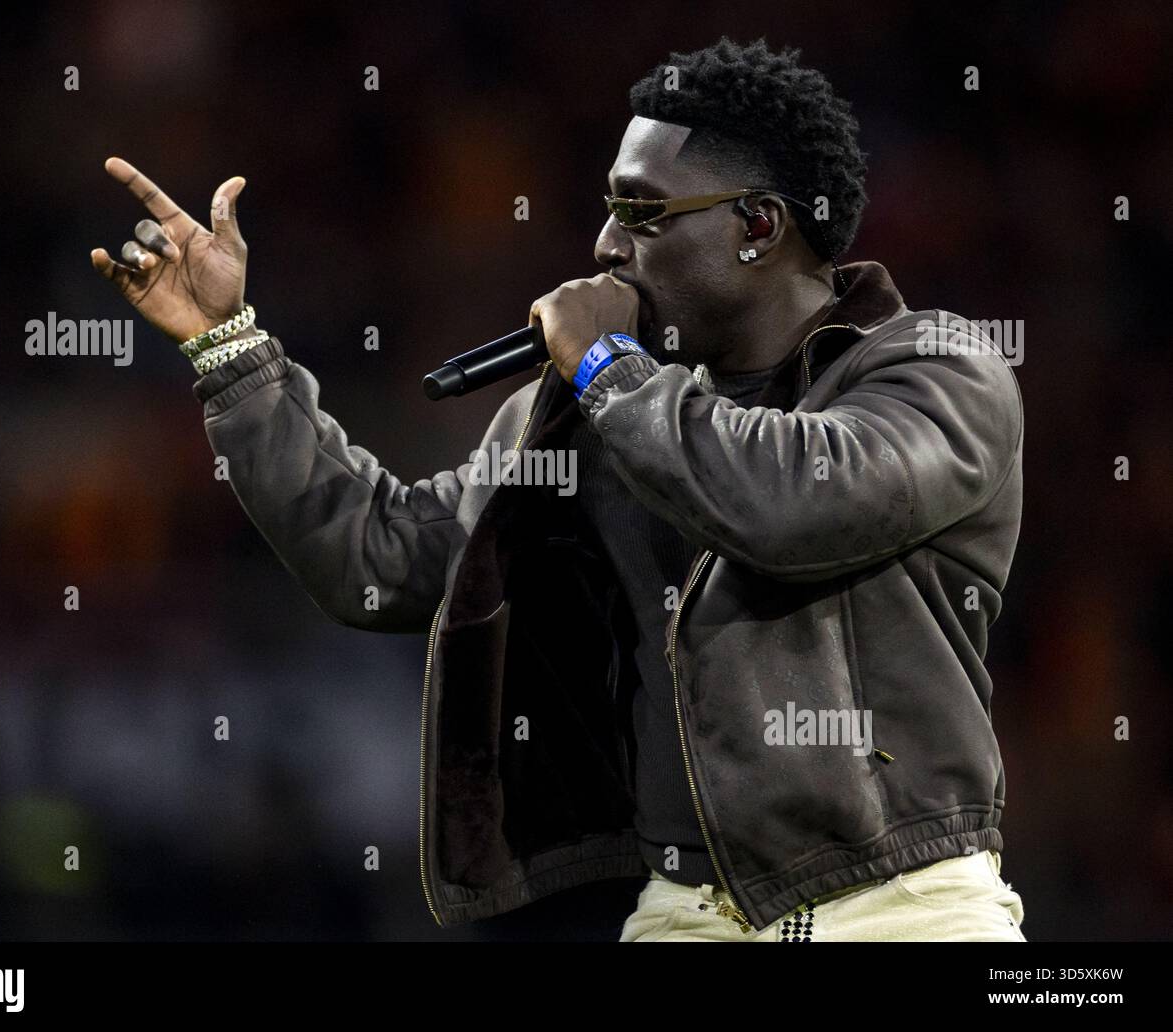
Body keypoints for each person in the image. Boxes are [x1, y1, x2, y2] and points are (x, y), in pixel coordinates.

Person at [92, 36, 1027, 942]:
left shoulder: (934, 369)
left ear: (758, 226)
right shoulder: (600, 411)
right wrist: (232, 352)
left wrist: (610, 374)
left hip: (906, 910)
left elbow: (789, 506)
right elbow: (376, 561)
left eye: (643, 211)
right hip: (685, 914)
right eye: (611, 208)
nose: (606, 243)